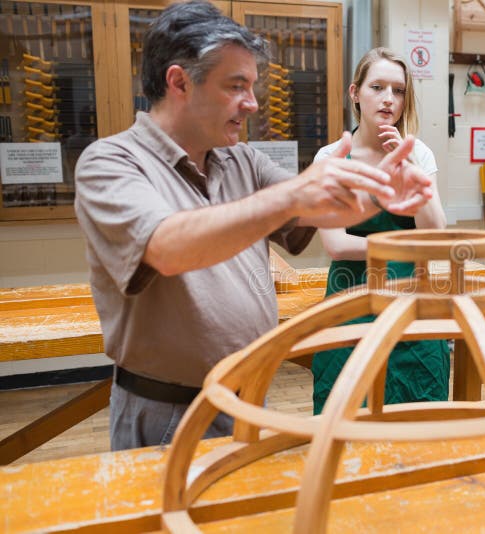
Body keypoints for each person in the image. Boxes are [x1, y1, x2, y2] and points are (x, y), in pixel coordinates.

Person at [73, 2, 435, 450]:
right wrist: (295, 194)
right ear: (179, 82)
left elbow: (322, 210)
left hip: (248, 398)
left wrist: (378, 190)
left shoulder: (241, 160)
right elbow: (166, 247)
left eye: (252, 86)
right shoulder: (111, 163)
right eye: (236, 86)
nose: (252, 103)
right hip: (170, 411)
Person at [311, 48, 449, 414]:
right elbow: (337, 245)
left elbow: (435, 234)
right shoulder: (330, 157)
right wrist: (407, 246)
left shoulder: (419, 153)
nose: (389, 98)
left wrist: (410, 169)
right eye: (377, 87)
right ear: (355, 93)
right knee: (345, 412)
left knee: (417, 414)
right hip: (351, 297)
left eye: (398, 90)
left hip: (413, 302)